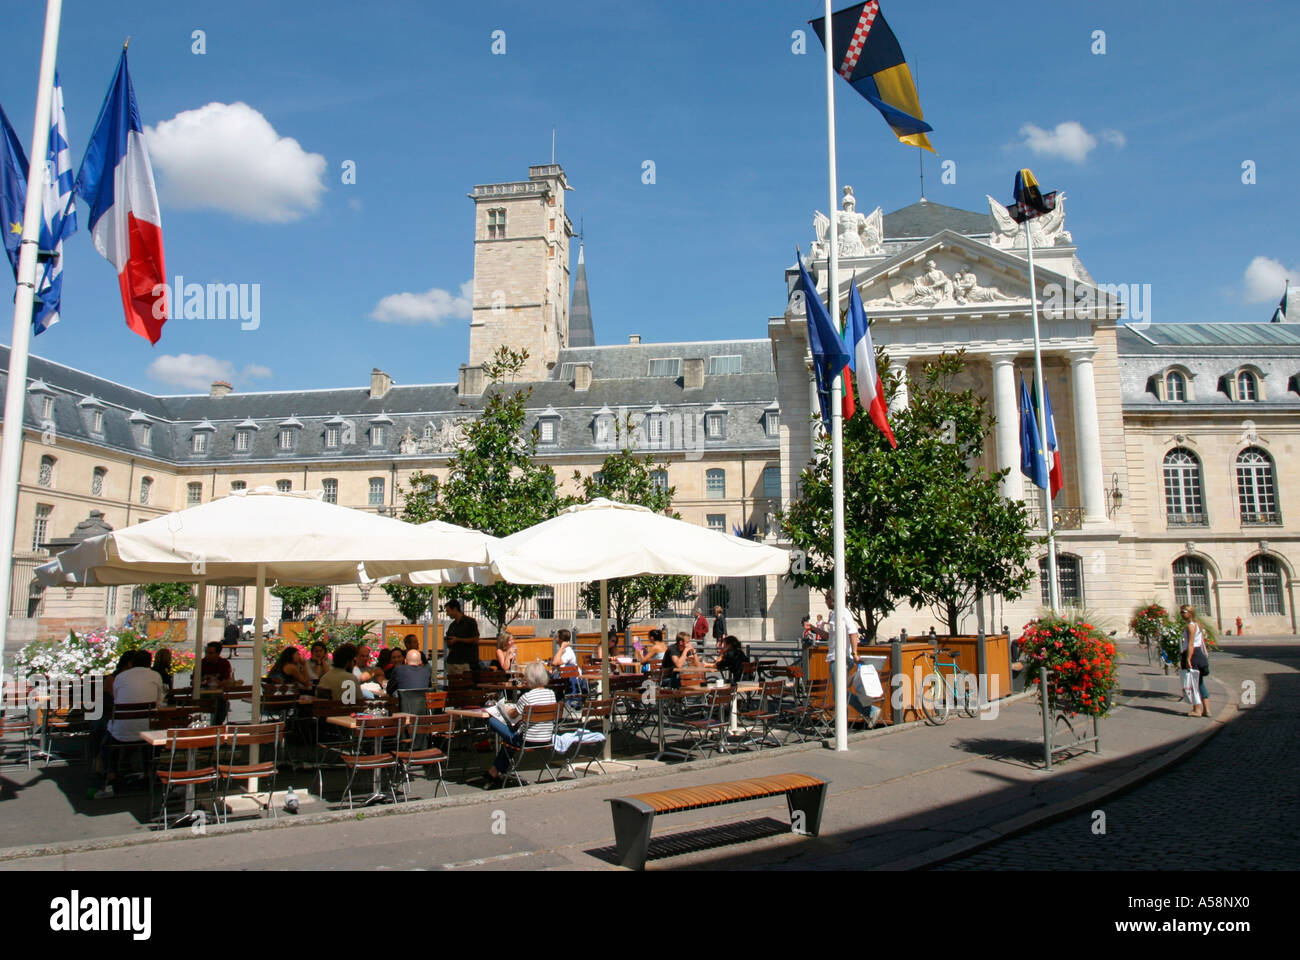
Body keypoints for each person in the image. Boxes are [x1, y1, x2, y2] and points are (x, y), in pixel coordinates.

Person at [96, 649, 165, 798]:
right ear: (150, 663)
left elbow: (116, 698)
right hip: (147, 729)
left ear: (131, 663)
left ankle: (111, 775)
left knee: (107, 743)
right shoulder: (155, 676)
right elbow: (159, 701)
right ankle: (149, 772)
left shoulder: (120, 677)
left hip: (122, 728)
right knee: (154, 739)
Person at [483, 662, 556, 786]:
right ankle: (494, 771)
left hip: (526, 739)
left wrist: (503, 708)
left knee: (491, 719)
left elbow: (512, 715)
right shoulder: (551, 694)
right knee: (508, 742)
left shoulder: (527, 697)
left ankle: (495, 770)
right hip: (546, 737)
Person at [821, 590, 880, 727]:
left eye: (826, 599)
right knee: (839, 693)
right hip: (835, 657)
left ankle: (869, 711)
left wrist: (854, 652)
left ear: (832, 599)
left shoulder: (843, 612)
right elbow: (830, 637)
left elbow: (853, 632)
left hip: (841, 658)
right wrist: (812, 628)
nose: (825, 602)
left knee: (839, 693)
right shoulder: (834, 614)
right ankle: (847, 723)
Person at [1180, 604, 1212, 718]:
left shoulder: (1190, 626)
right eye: (1181, 612)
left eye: (1183, 612)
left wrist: (1188, 658)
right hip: (1198, 654)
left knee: (1193, 683)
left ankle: (1197, 709)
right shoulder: (1197, 624)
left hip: (1193, 654)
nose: (1181, 614)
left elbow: (1190, 644)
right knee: (1199, 683)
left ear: (1190, 613)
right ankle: (1207, 710)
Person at [198, 641, 236, 724]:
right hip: (203, 693)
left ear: (218, 653)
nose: (207, 655)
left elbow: (227, 680)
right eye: (206, 652)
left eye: (210, 653)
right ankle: (214, 726)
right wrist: (203, 679)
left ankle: (216, 726)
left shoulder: (224, 663)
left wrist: (219, 682)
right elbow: (194, 680)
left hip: (218, 693)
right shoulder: (201, 663)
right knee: (218, 701)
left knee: (222, 703)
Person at [443, 600, 480, 679]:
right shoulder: (452, 625)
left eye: (448, 611)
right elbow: (450, 643)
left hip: (466, 661)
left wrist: (458, 640)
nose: (447, 614)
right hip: (452, 661)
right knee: (453, 686)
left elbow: (475, 639)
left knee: (463, 686)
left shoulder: (470, 622)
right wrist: (449, 642)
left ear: (455, 609)